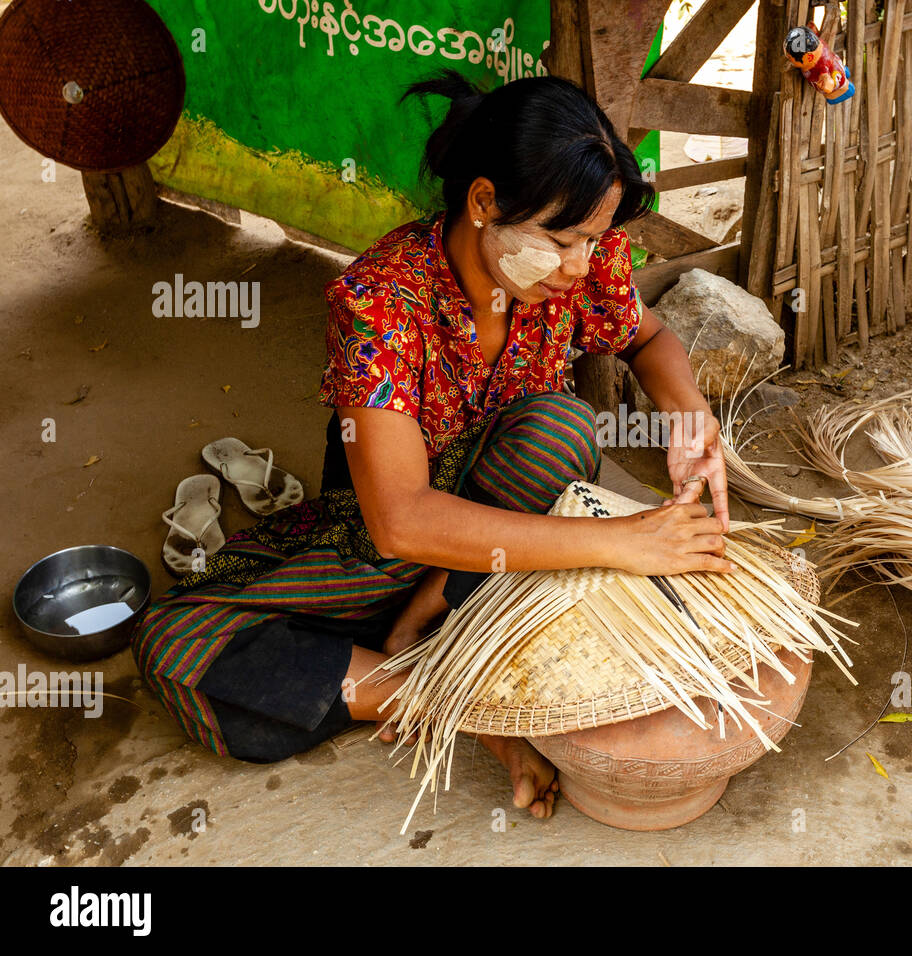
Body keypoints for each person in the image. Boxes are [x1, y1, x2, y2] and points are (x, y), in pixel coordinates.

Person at [130, 69, 732, 821]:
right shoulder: (380, 299)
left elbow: (646, 337)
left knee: (560, 430)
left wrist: (689, 415)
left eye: (592, 240)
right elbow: (400, 522)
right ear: (483, 202)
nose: (582, 264)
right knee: (173, 645)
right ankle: (455, 699)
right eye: (561, 241)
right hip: (381, 542)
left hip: (499, 546)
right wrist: (620, 542)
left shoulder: (584, 260)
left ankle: (424, 625)